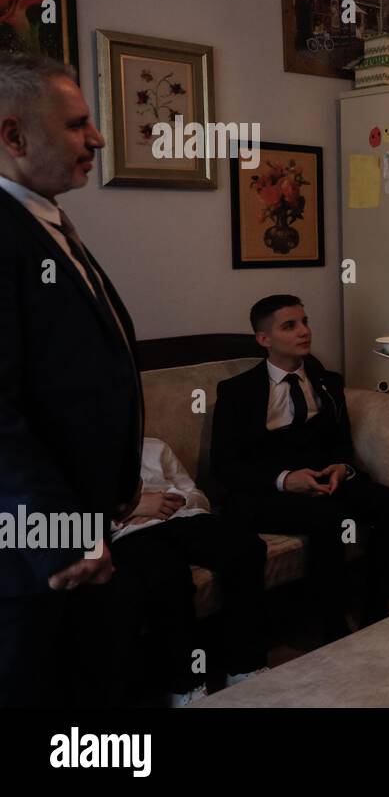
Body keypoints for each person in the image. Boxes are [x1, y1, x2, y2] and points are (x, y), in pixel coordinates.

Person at [0, 53, 142, 706]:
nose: (99, 139)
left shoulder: (42, 219)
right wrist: (55, 528)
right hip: (33, 552)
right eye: (79, 125)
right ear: (13, 136)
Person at [211, 295, 389, 641]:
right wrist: (284, 480)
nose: (304, 332)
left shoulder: (326, 380)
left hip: (323, 475)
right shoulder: (238, 392)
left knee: (388, 503)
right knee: (329, 520)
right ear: (264, 339)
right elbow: (225, 465)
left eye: (305, 322)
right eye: (290, 325)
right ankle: (330, 623)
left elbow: (340, 440)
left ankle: (375, 604)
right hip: (267, 488)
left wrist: (341, 466)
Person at [110, 438, 268, 706]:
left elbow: (198, 496)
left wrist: (176, 500)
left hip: (185, 519)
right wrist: (132, 509)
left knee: (247, 547)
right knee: (166, 574)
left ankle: (244, 667)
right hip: (131, 532)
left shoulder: (154, 447)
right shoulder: (80, 455)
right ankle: (186, 686)